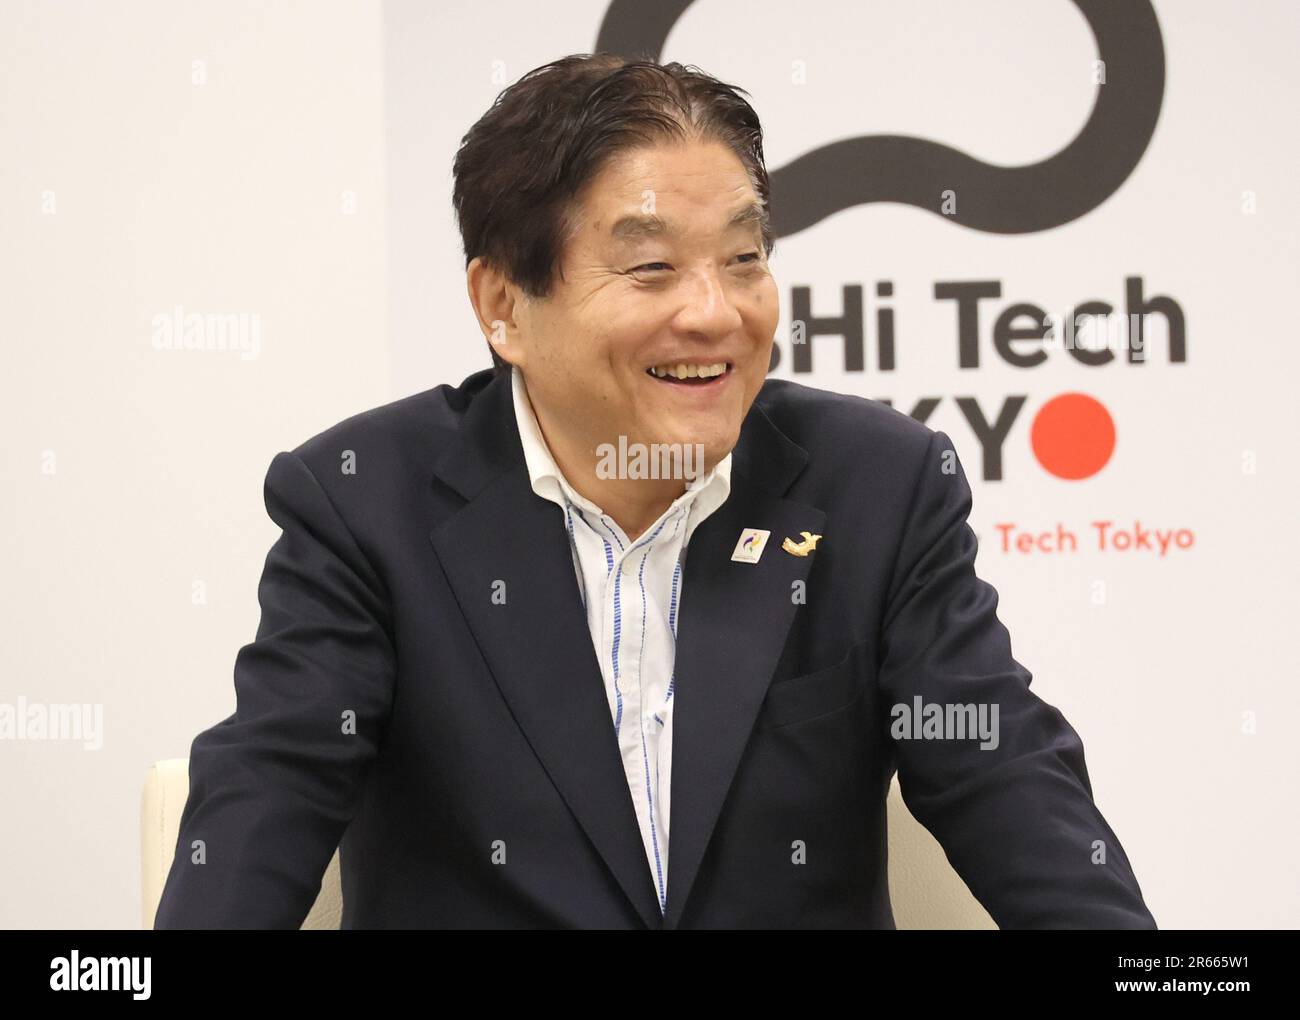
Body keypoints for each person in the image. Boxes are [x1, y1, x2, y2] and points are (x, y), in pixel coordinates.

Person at [154, 53, 1156, 929]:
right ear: (503, 305)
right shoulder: (362, 504)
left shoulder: (876, 484)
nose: (714, 313)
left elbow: (1003, 776)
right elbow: (269, 796)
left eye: (743, 259)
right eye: (650, 267)